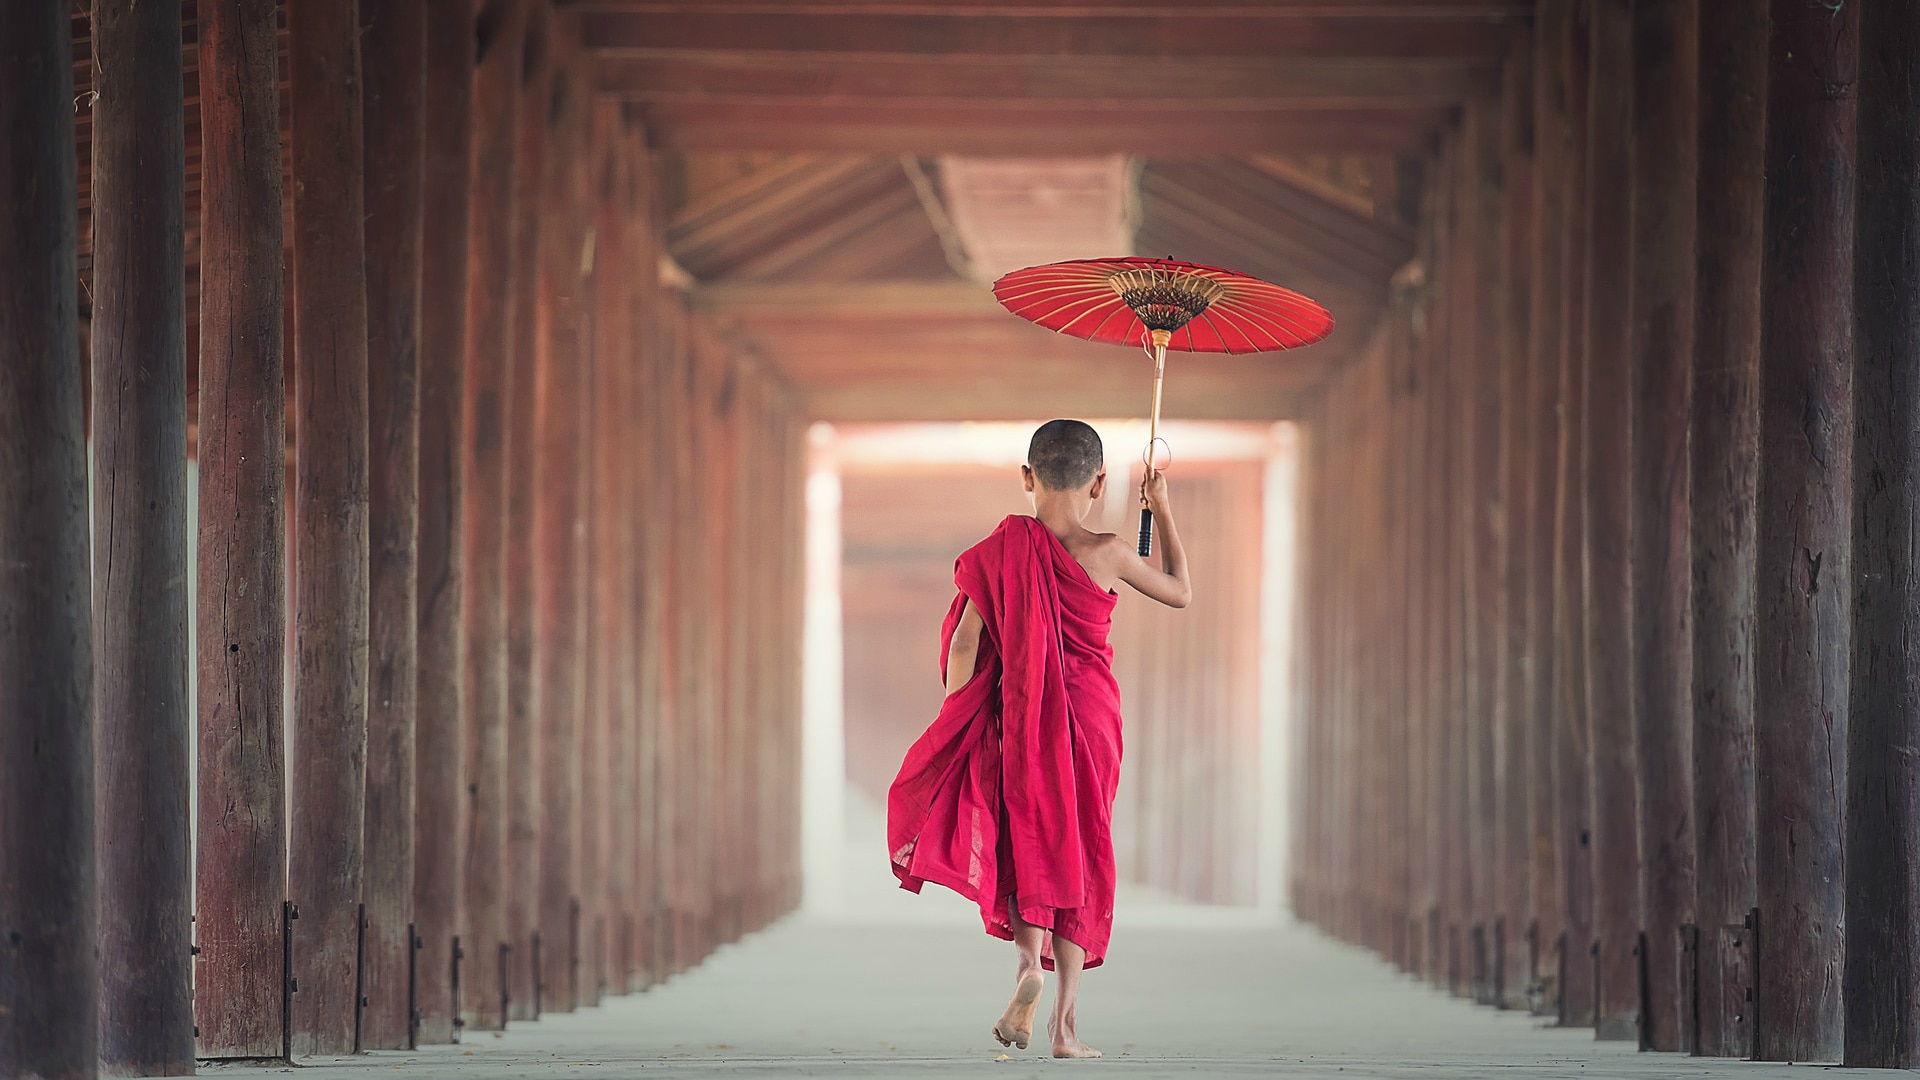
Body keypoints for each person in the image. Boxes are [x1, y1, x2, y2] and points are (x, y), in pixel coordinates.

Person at [886, 418, 1192, 1059]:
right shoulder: (1109, 551)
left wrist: (959, 715)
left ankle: (1027, 966)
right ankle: (1065, 1028)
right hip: (1092, 719)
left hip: (1022, 716)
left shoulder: (999, 550)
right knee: (1080, 848)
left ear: (1027, 478)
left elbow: (967, 642)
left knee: (1029, 837)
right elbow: (1179, 592)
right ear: (1100, 480)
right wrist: (1160, 509)